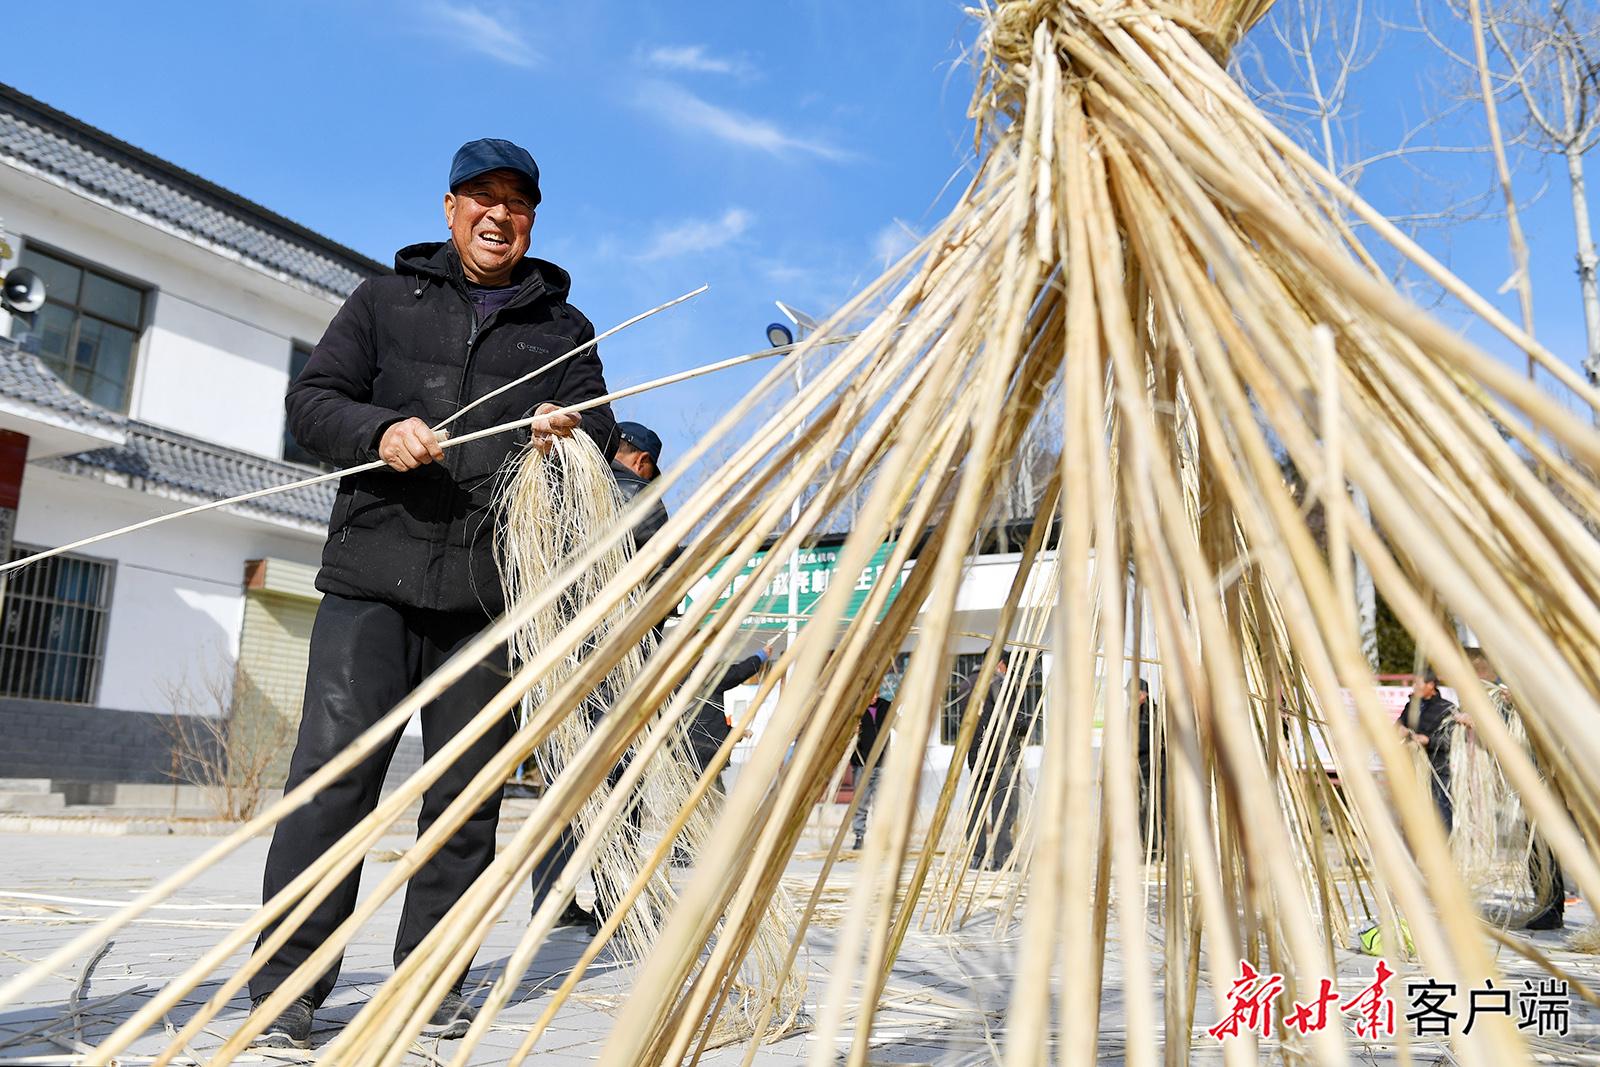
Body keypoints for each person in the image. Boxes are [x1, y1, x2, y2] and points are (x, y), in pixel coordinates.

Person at [250, 138, 616, 1049]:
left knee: (463, 800)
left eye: (517, 203)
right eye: (481, 198)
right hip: (372, 580)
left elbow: (602, 444)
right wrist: (381, 431)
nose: (499, 215)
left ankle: (430, 983)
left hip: (490, 600)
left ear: (533, 219)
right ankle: (288, 985)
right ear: (449, 208)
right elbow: (313, 404)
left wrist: (565, 440)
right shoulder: (382, 300)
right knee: (332, 785)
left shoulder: (562, 333)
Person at [527, 417, 672, 930]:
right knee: (621, 781)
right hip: (618, 662)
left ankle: (550, 900)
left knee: (563, 779)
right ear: (642, 461)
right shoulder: (645, 502)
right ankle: (614, 898)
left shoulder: (561, 489)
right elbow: (664, 579)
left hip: (560, 657)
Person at [965, 649, 1031, 869]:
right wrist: (1027, 725)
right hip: (1002, 756)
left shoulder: (967, 684)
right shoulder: (999, 684)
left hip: (976, 755)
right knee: (1004, 806)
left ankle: (976, 856)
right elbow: (1013, 719)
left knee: (977, 806)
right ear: (1000, 664)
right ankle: (1002, 858)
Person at [1395, 668, 1457, 834]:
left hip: (1438, 768)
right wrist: (1400, 728)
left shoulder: (1447, 709)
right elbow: (1400, 723)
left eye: (1418, 683)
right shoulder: (1412, 705)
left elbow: (1452, 740)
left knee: (1441, 811)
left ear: (1431, 685)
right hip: (1413, 767)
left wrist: (1428, 741)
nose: (1414, 687)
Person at [851, 666, 900, 850]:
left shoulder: (886, 707)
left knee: (881, 803)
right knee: (861, 803)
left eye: (877, 693)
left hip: (882, 763)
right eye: (871, 694)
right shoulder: (856, 710)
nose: (874, 697)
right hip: (862, 764)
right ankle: (859, 836)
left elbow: (899, 724)